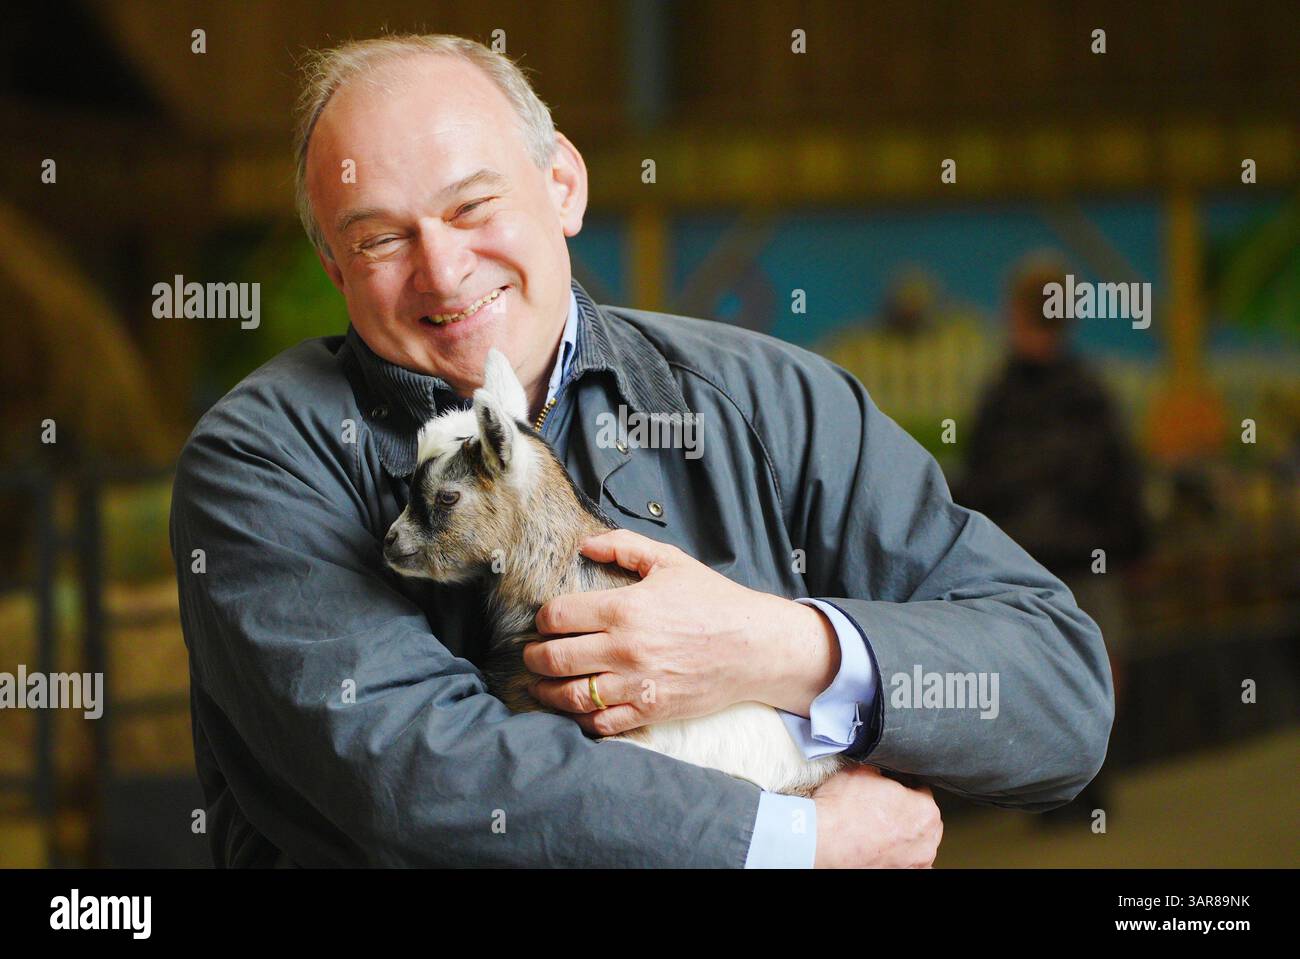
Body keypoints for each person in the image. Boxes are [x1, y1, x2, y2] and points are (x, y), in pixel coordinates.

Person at [169, 35, 1112, 867]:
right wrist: (795, 845)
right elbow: (401, 781)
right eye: (379, 237)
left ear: (563, 185)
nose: (443, 270)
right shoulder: (262, 463)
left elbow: (1059, 688)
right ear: (335, 265)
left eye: (472, 207)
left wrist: (775, 646)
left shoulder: (772, 400)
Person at [957, 254, 1148, 821]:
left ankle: (1055, 792)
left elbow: (977, 488)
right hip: (1087, 561)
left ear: (1017, 313)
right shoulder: (1091, 393)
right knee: (1101, 670)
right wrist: (1135, 547)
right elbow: (1122, 479)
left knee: (1038, 678)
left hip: (1024, 562)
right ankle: (1086, 787)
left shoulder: (1000, 400)